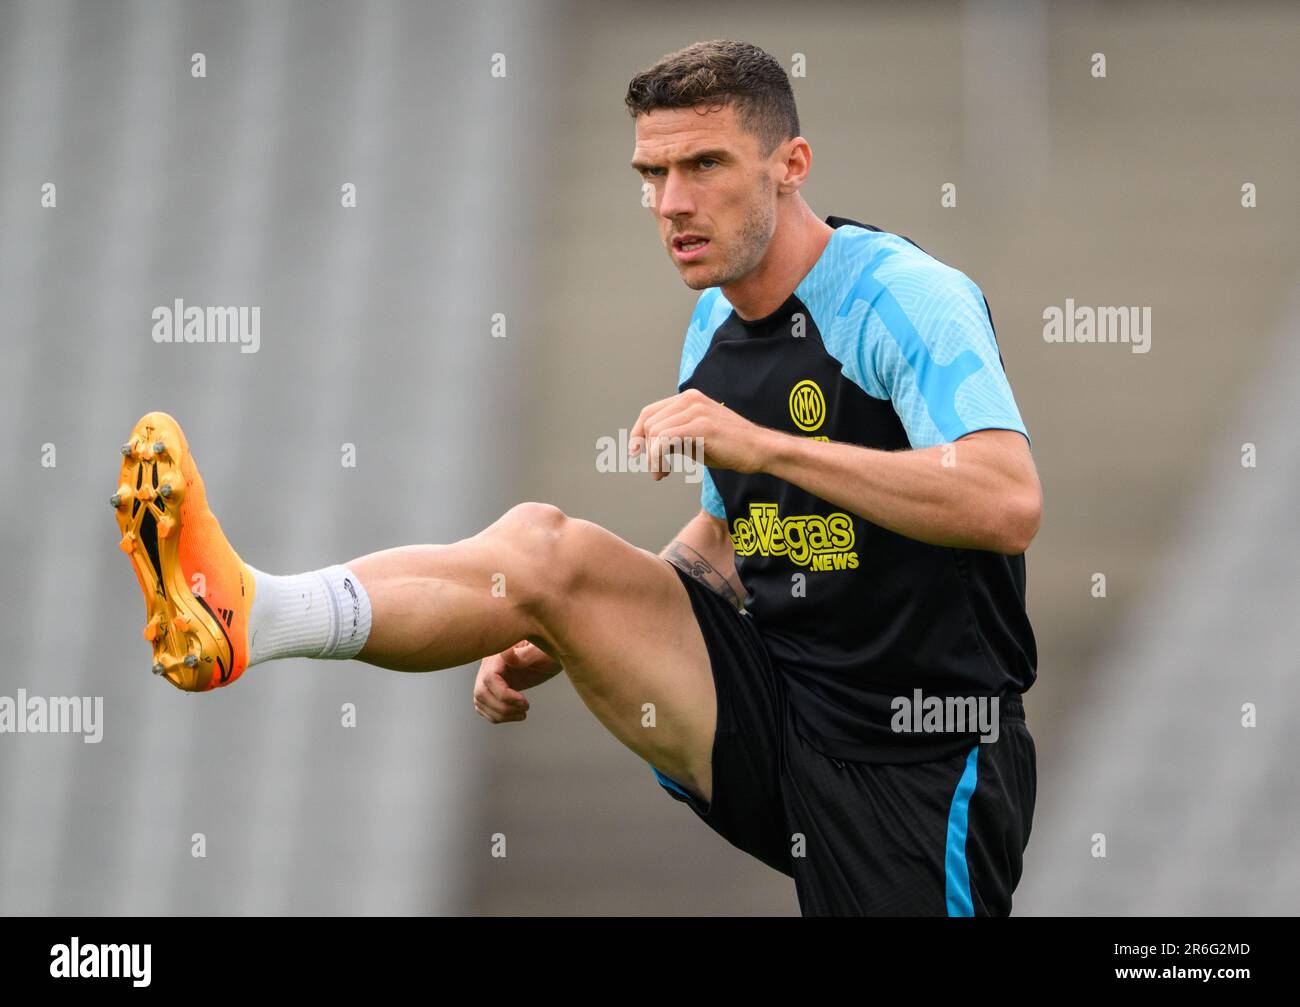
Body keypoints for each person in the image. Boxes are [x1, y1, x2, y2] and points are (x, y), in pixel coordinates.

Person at [112, 39, 1040, 916]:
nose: (672, 202)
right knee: (542, 552)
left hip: (928, 749)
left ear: (790, 164)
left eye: (704, 166)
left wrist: (768, 446)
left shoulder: (907, 297)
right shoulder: (712, 326)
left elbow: (1007, 500)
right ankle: (253, 612)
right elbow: (727, 534)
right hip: (775, 700)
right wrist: (566, 622)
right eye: (652, 174)